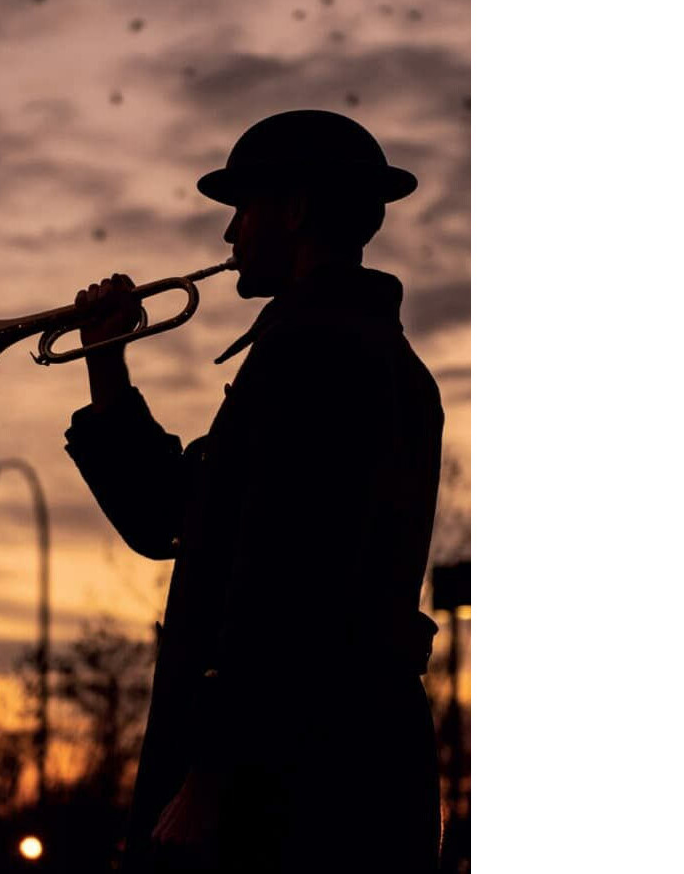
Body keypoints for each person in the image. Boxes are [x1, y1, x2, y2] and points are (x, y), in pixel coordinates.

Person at [63, 110, 446, 873]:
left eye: (242, 209)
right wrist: (106, 360)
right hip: (325, 759)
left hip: (292, 783)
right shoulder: (352, 350)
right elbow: (172, 517)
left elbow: (285, 582)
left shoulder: (315, 353)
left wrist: (210, 775)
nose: (228, 236)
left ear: (295, 211)